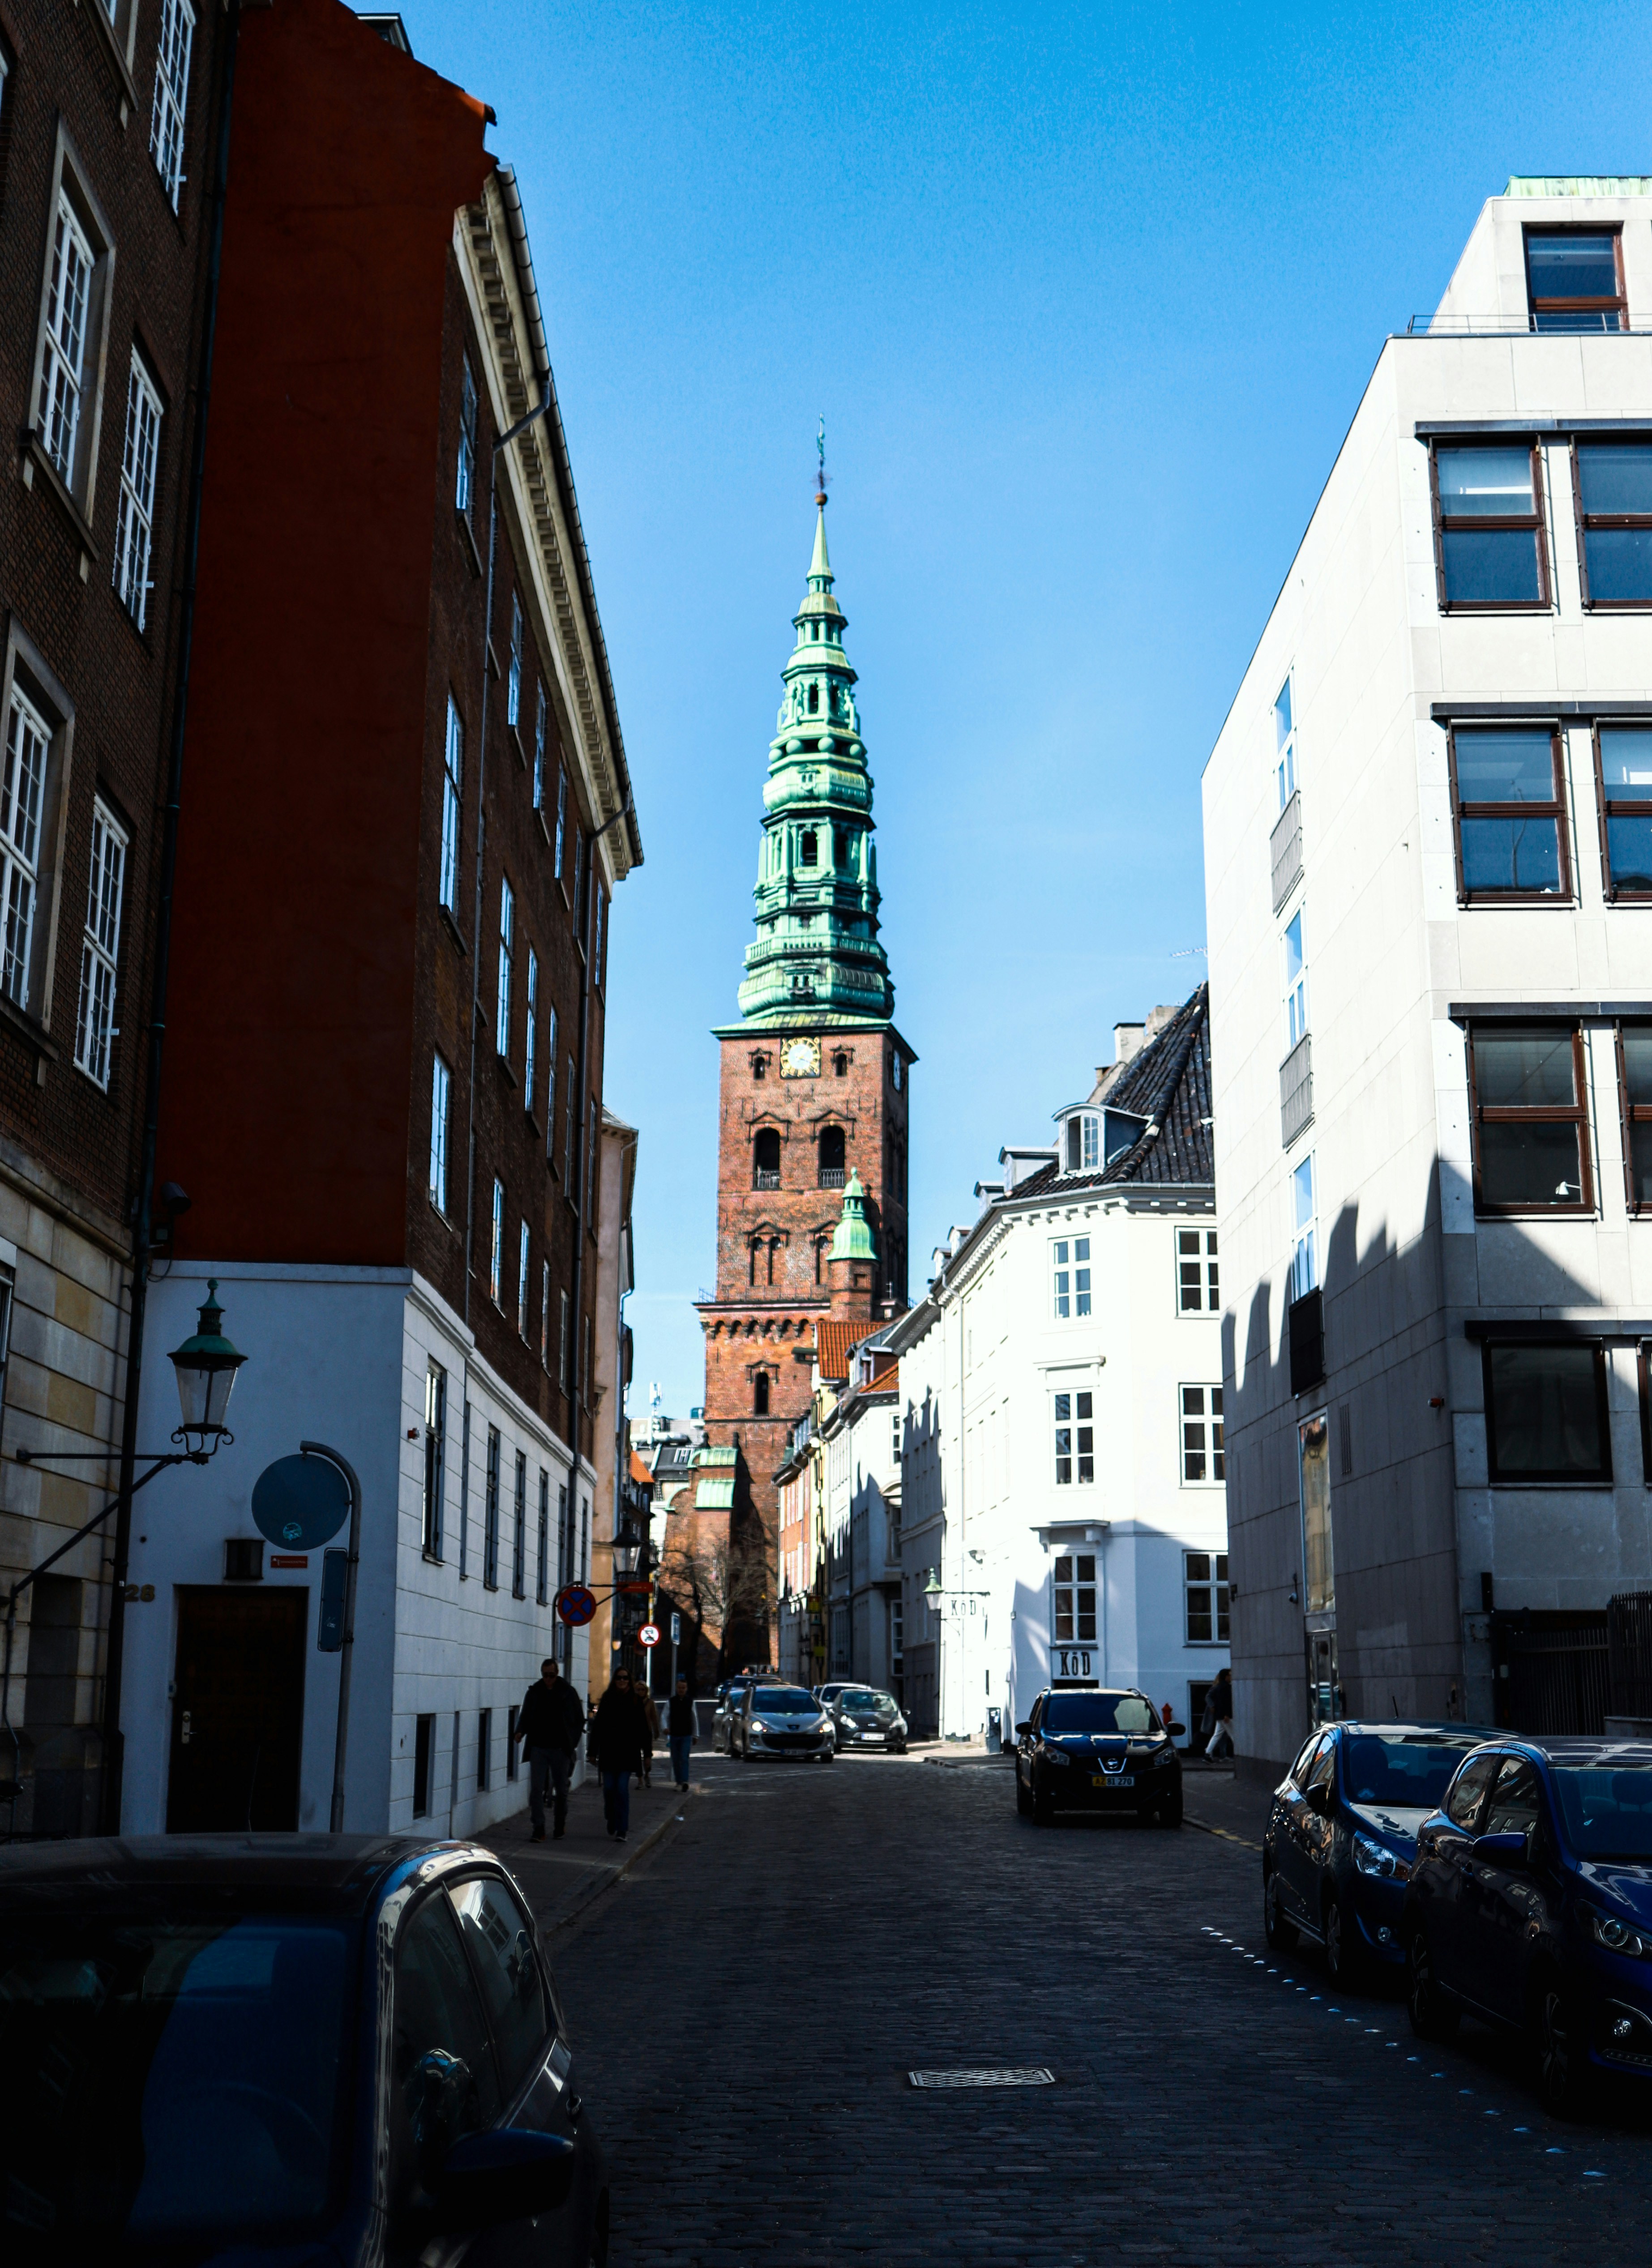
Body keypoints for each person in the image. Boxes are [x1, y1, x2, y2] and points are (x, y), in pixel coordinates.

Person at [513, 1656, 586, 1843]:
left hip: (560, 1748)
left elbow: (578, 1719)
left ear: (557, 1674)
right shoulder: (535, 1692)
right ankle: (539, 1827)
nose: (548, 1680)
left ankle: (560, 1823)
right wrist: (520, 1731)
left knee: (561, 1789)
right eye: (546, 1676)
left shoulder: (568, 1693)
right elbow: (526, 1714)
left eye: (552, 1676)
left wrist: (571, 1743)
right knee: (537, 1788)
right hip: (539, 1746)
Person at [588, 1668, 648, 1841]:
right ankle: (612, 1816)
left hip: (628, 1754)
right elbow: (598, 1728)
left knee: (622, 1789)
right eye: (619, 1678)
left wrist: (648, 1755)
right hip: (609, 1753)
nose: (622, 1681)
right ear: (615, 1680)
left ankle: (622, 1829)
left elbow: (643, 1729)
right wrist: (593, 1752)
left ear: (630, 1681)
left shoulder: (635, 1701)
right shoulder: (608, 1699)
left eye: (625, 1678)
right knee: (609, 1789)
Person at [667, 1675, 696, 1790]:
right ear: (676, 1688)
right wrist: (665, 1728)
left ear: (686, 1689)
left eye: (683, 1688)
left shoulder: (690, 1702)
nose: (681, 1690)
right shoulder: (671, 1702)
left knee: (684, 1758)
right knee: (675, 1759)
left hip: (686, 1735)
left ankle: (684, 1781)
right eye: (679, 1688)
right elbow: (665, 1716)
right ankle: (679, 1781)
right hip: (674, 1735)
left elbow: (695, 1719)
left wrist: (696, 1735)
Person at [1205, 1666, 1233, 1761]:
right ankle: (1240, 1755)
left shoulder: (1218, 1687)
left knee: (1217, 1735)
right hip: (1225, 1716)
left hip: (1219, 1716)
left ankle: (1208, 1753)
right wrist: (1227, 1715)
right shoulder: (1226, 1688)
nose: (1231, 1677)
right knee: (1234, 1736)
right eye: (1230, 1675)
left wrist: (1213, 1707)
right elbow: (1225, 1702)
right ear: (1226, 1677)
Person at [638, 1681, 660, 1788]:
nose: (641, 1692)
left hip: (647, 1733)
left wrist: (657, 1731)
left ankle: (647, 1774)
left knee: (647, 1758)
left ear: (646, 1691)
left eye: (643, 1690)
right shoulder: (632, 1701)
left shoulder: (650, 1703)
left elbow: (654, 1718)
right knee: (636, 1758)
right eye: (638, 1690)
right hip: (635, 1733)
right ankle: (640, 1780)